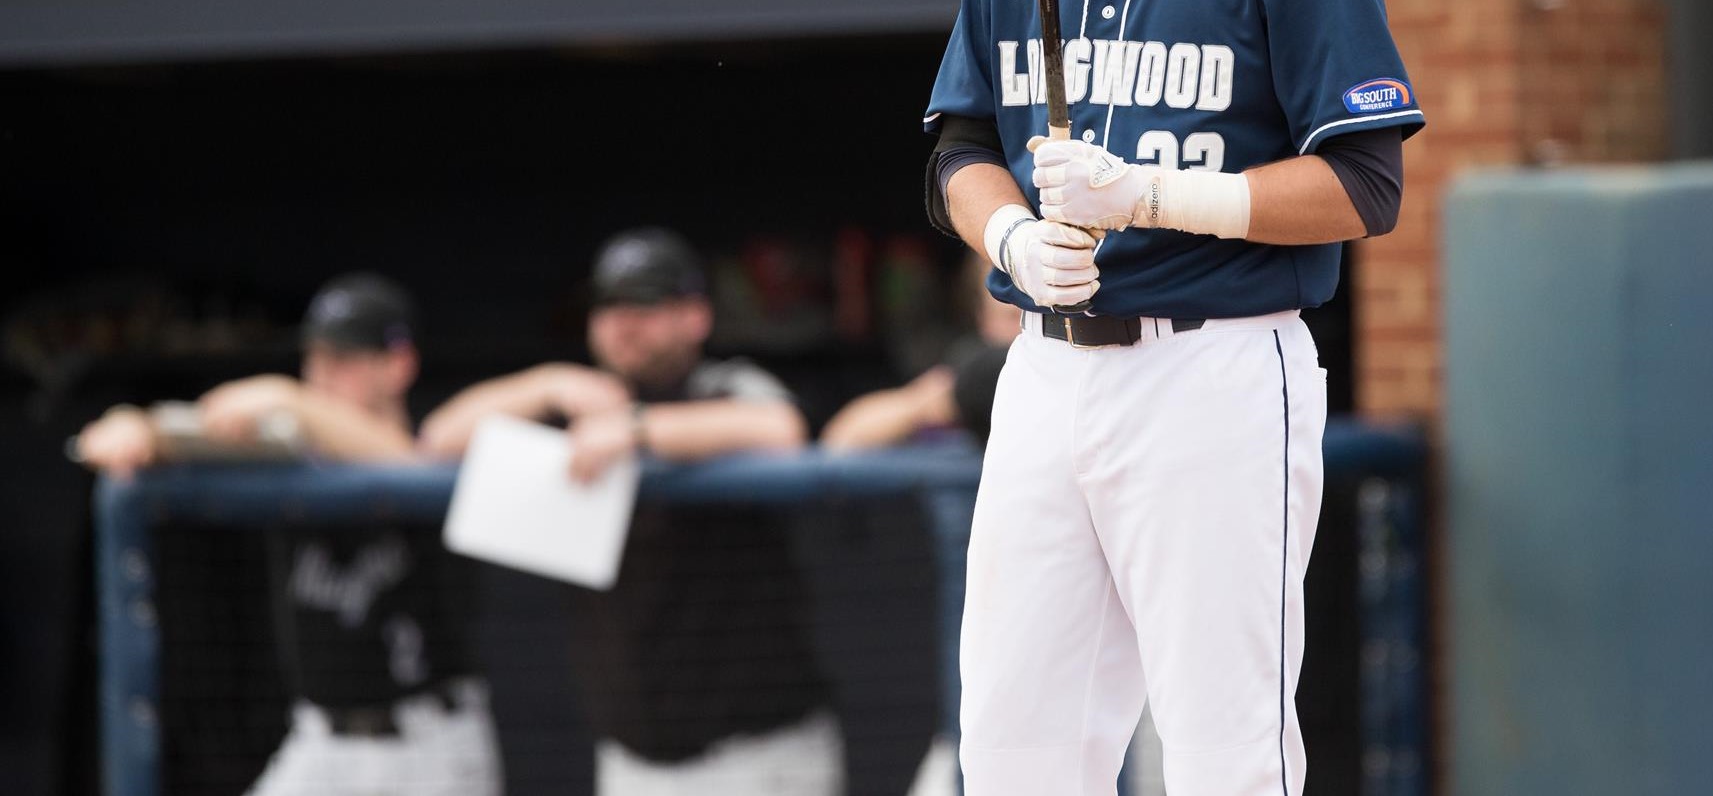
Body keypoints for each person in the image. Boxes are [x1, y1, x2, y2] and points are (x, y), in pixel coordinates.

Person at [921, 0, 1424, 796]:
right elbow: (957, 141)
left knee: (1225, 756)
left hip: (1215, 368)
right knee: (1015, 755)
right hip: (1045, 369)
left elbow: (1365, 183)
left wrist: (1151, 195)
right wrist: (1009, 234)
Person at [418, 228, 842, 796]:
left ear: (695, 317)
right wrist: (547, 385)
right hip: (635, 761)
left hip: (759, 754)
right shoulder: (580, 405)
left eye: (644, 305)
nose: (622, 323)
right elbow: (437, 440)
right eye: (608, 307)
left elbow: (782, 429)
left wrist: (638, 430)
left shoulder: (720, 384)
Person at [75, 273, 503, 796]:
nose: (321, 378)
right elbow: (184, 433)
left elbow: (400, 459)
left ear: (398, 365)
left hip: (427, 745)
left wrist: (287, 398)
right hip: (321, 742)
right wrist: (140, 427)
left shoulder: (429, 454)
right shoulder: (287, 455)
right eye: (315, 360)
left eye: (343, 361)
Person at [819, 253, 1018, 451]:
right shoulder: (968, 378)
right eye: (1012, 316)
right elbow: (842, 436)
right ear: (983, 318)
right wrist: (939, 404)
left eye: (1042, 317)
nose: (1026, 330)